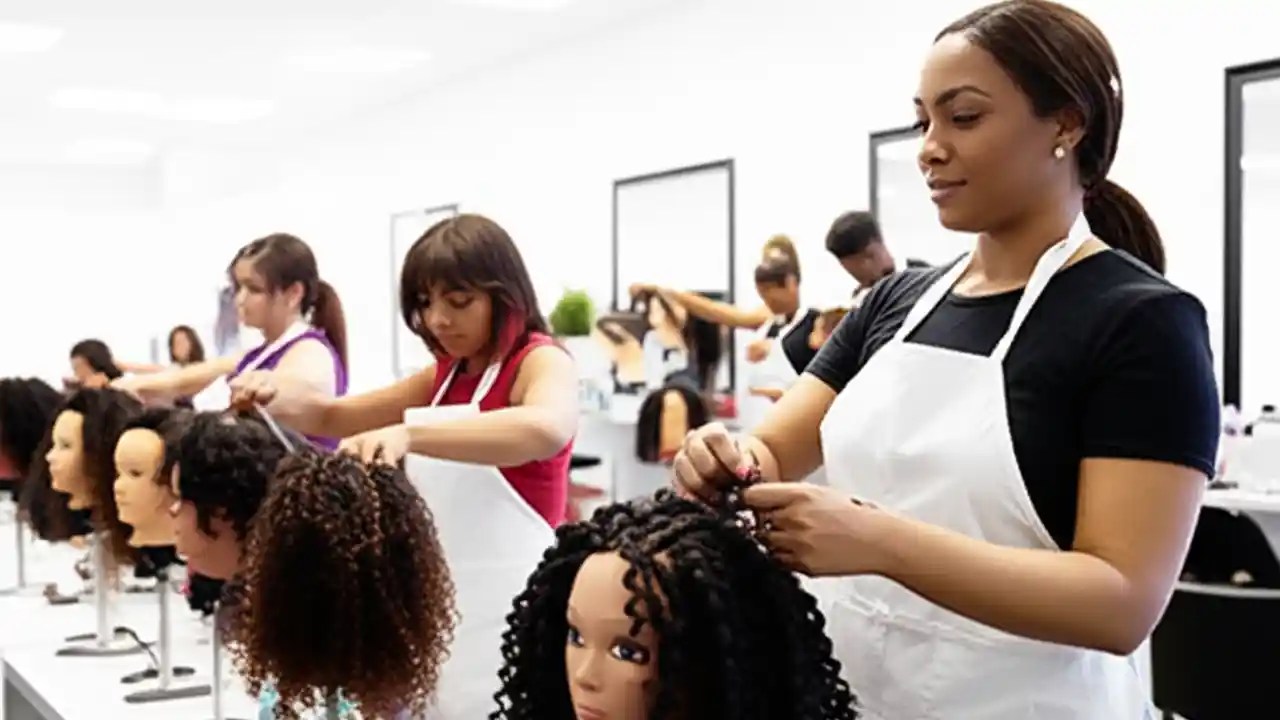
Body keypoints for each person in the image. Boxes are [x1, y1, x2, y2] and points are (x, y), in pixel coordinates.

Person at [672, 2, 1218, 718]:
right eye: (922, 121)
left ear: (1065, 123)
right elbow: (771, 451)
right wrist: (722, 457)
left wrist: (883, 542)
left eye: (962, 118)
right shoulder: (895, 302)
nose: (929, 147)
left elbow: (1119, 604)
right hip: (850, 693)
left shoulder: (1142, 323)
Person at [230, 214, 577, 527]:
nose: (438, 320)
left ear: (506, 296)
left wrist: (410, 436)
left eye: (459, 302)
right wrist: (275, 394)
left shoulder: (540, 360)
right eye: (425, 303)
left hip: (524, 580)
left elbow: (547, 428)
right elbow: (332, 417)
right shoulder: (447, 374)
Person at [115, 234, 349, 448]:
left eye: (254, 289)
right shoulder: (260, 353)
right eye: (238, 287)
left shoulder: (310, 353)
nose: (240, 299)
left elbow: (289, 389)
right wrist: (127, 386)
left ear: (293, 293)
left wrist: (267, 386)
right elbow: (180, 380)